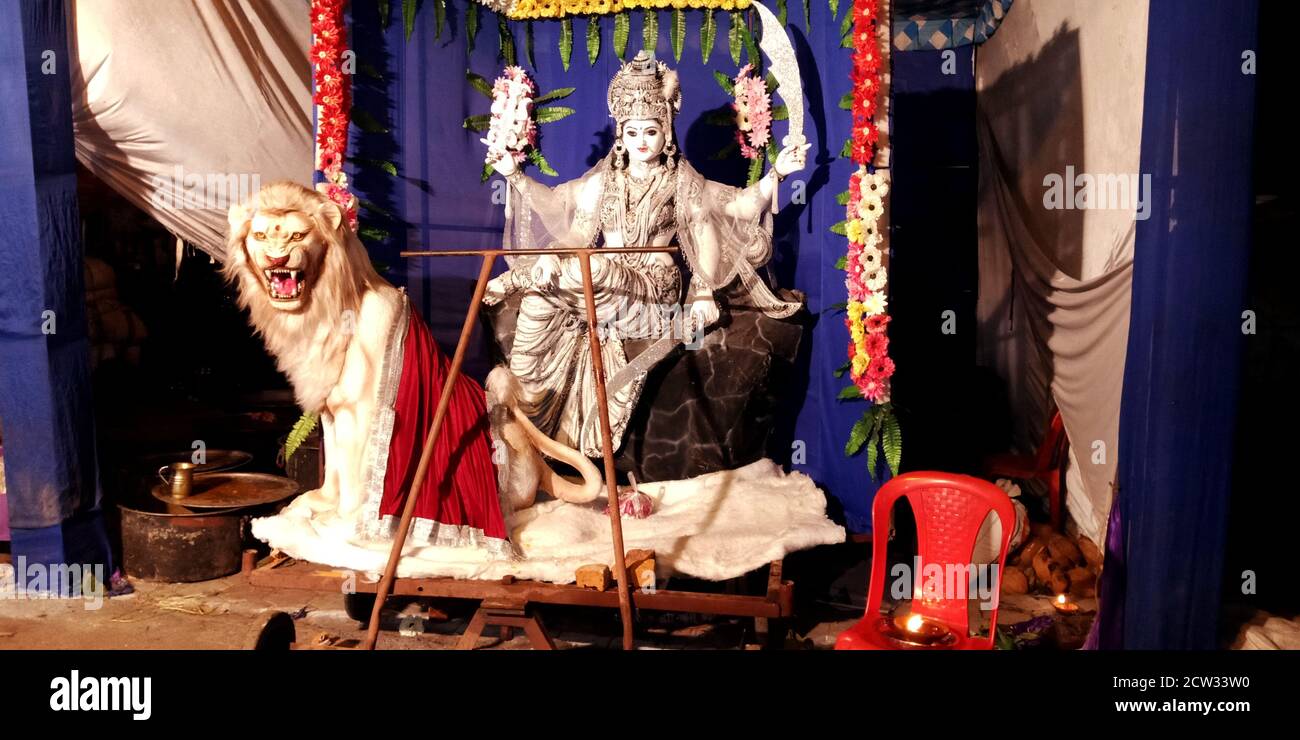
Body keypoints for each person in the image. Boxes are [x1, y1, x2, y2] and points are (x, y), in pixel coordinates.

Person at [485, 51, 810, 458]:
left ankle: (520, 279)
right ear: (621, 132)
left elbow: (741, 208)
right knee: (542, 291)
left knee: (589, 266)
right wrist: (515, 176)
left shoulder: (682, 180)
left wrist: (777, 172)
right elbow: (566, 220)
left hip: (651, 292)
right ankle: (527, 411)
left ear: (666, 132)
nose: (642, 141)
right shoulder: (604, 181)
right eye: (633, 132)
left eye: (651, 131)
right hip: (601, 283)